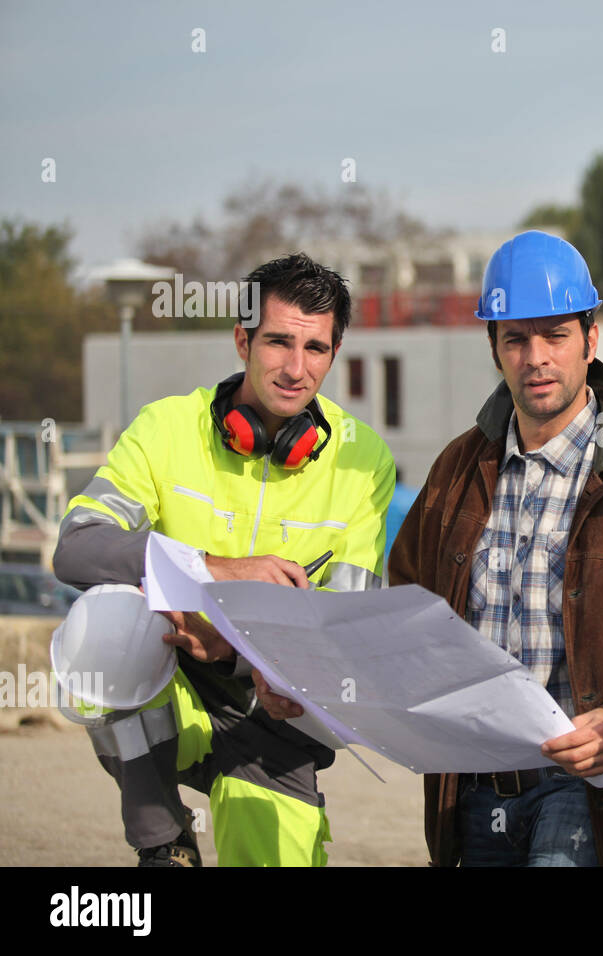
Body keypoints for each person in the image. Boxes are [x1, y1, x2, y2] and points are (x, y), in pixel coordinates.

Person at [53, 253, 396, 867]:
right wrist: (206, 567)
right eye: (278, 342)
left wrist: (236, 648)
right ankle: (164, 844)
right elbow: (77, 546)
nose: (296, 369)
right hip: (170, 687)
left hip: (278, 706)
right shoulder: (166, 427)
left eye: (315, 348)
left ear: (334, 352)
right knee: (101, 627)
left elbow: (345, 630)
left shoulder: (363, 459)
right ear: (242, 338)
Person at [388, 230, 603, 866]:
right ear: (495, 348)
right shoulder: (458, 469)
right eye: (515, 338)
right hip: (473, 789)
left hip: (592, 790)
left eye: (555, 335)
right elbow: (408, 607)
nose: (536, 357)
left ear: (591, 341)